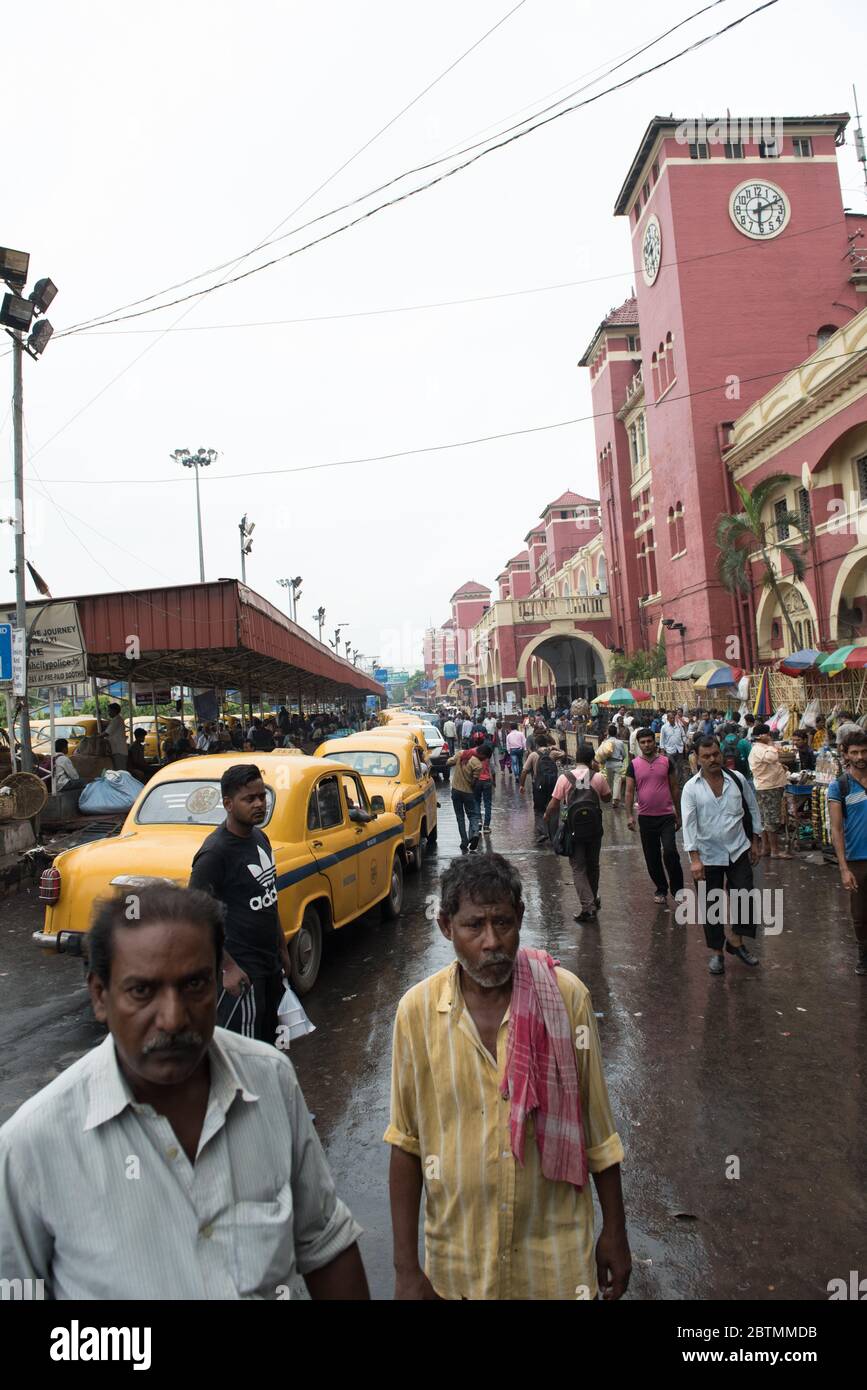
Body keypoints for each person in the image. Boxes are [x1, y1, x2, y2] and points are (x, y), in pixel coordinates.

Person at [0, 883, 368, 1299]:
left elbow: (325, 1244)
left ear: (218, 981)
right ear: (100, 996)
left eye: (194, 985)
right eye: (142, 991)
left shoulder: (271, 1080)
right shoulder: (30, 1147)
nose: (173, 1020)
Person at [385, 854, 630, 1301]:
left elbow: (597, 1128)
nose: (491, 941)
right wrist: (406, 1269)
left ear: (520, 918)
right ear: (446, 927)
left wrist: (615, 1230)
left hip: (554, 1261)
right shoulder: (416, 1013)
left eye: (502, 922)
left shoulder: (566, 997)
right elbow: (406, 1144)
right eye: (473, 925)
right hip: (460, 1266)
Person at [189, 764, 289, 1042]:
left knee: (270, 1045)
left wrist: (282, 947)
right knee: (247, 1051)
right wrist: (227, 967)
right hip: (242, 971)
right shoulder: (214, 854)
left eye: (262, 797)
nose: (259, 804)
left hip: (269, 964)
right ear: (228, 804)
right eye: (249, 799)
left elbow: (269, 896)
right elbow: (197, 918)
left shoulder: (260, 838)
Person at [680, 736, 765, 975]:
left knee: (745, 895)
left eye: (715, 754)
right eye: (706, 756)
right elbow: (689, 825)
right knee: (711, 905)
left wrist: (756, 841)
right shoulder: (690, 788)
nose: (712, 759)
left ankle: (736, 941)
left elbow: (752, 808)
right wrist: (695, 859)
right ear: (697, 758)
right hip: (707, 854)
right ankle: (717, 953)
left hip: (737, 848)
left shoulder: (737, 780)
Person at [545, 741, 611, 923]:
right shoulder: (597, 777)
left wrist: (546, 816)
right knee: (593, 865)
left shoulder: (565, 778)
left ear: (576, 758)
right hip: (595, 829)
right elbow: (607, 798)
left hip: (573, 830)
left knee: (578, 868)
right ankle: (592, 899)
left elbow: (554, 803)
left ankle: (588, 906)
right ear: (592, 759)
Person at [625, 728, 684, 906]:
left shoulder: (666, 762)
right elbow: (629, 791)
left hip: (666, 816)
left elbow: (674, 788)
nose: (646, 745)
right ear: (639, 744)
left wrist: (678, 814)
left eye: (649, 741)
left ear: (654, 742)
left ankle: (678, 890)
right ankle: (661, 889)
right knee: (652, 857)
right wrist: (629, 816)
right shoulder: (633, 765)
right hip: (645, 817)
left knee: (670, 852)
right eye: (643, 742)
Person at [828, 728, 867, 975]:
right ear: (846, 754)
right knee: (860, 915)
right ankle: (864, 955)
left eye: (864, 751)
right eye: (855, 752)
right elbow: (836, 830)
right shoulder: (839, 787)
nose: (861, 756)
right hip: (857, 860)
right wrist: (843, 868)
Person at [748, 723, 791, 859]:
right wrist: (771, 743)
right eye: (768, 734)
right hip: (769, 788)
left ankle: (766, 848)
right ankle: (775, 851)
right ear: (763, 736)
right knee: (771, 820)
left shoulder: (759, 748)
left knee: (765, 819)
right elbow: (773, 757)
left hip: (766, 786)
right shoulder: (761, 749)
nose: (769, 736)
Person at [518, 733, 565, 842]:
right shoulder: (552, 753)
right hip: (553, 784)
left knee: (539, 809)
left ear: (537, 744)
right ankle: (554, 835)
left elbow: (524, 771)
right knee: (553, 808)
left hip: (538, 785)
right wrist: (555, 747)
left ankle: (543, 831)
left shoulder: (533, 755)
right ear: (546, 742)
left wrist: (522, 785)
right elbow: (564, 754)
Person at [446, 742, 485, 852]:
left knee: (460, 817)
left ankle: (464, 841)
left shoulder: (460, 754)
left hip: (456, 791)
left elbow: (449, 762)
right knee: (472, 815)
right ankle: (476, 833)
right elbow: (474, 781)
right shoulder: (478, 764)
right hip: (468, 792)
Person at [595, 724, 627, 807]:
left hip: (608, 764)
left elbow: (600, 752)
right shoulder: (620, 742)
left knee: (610, 782)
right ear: (616, 733)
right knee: (617, 781)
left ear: (608, 733)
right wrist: (621, 759)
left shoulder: (605, 742)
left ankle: (610, 797)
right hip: (618, 764)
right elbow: (624, 754)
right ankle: (615, 800)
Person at [472, 742, 496, 835]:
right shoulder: (488, 753)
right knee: (488, 804)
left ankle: (478, 821)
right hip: (487, 781)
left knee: (476, 801)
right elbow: (493, 768)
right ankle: (486, 826)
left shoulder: (474, 753)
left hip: (477, 781)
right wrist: (494, 780)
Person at [659, 710, 687, 783]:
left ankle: (679, 782)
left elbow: (683, 735)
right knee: (671, 767)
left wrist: (685, 745)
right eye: (670, 718)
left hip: (679, 749)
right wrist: (662, 750)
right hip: (669, 750)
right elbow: (661, 740)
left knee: (680, 766)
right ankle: (672, 781)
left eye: (673, 718)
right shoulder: (664, 727)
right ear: (667, 719)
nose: (672, 719)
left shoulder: (679, 726)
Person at [102, 701, 128, 771]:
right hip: (116, 750)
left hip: (119, 751)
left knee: (120, 772)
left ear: (114, 711)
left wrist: (94, 738)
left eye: (109, 711)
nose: (108, 713)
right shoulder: (116, 720)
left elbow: (106, 733)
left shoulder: (116, 720)